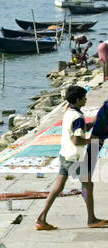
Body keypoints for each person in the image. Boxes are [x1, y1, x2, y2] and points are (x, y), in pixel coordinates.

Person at [35, 86, 108, 230]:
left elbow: (75, 130)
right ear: (78, 99)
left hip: (64, 155)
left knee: (58, 187)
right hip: (74, 158)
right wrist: (92, 140)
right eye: (84, 98)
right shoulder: (78, 118)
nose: (86, 100)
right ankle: (91, 219)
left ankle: (41, 218)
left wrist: (93, 122)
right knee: (88, 185)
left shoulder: (69, 112)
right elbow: (77, 140)